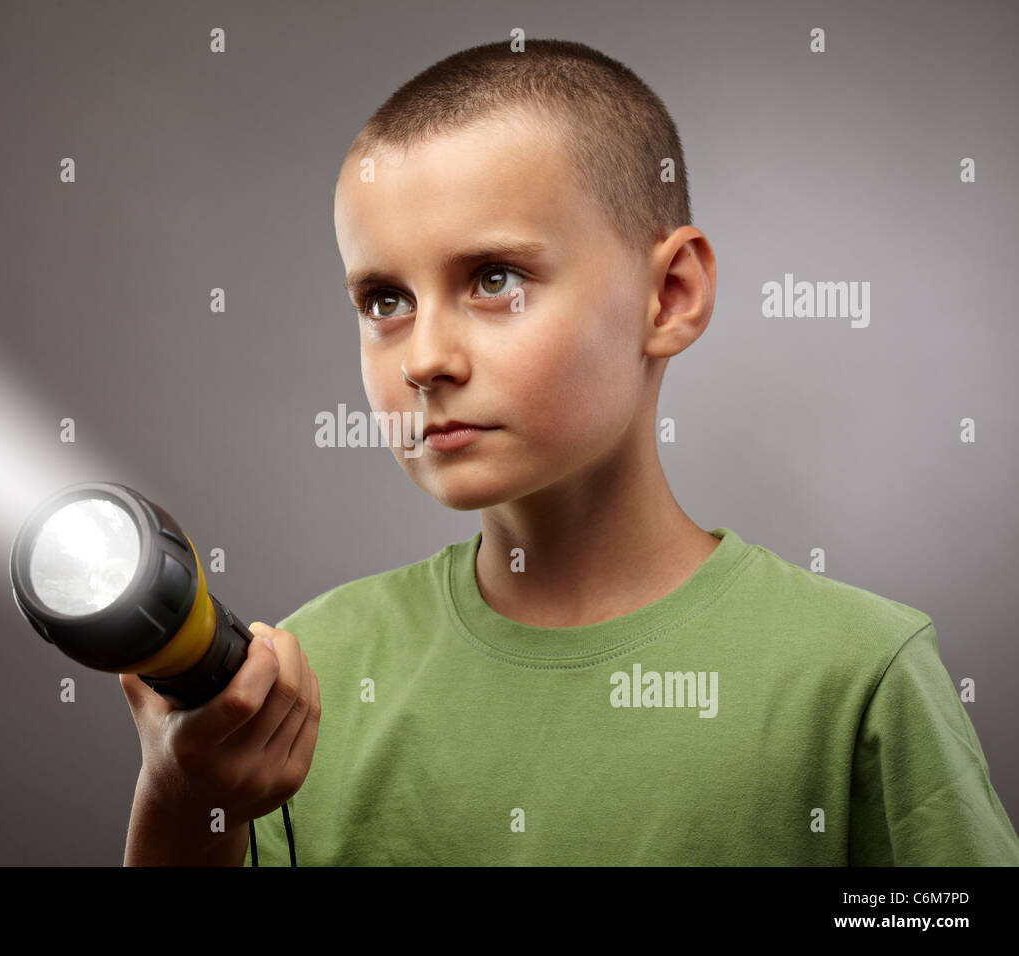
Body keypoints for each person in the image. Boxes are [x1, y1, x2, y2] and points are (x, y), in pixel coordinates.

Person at [121, 38, 1019, 866]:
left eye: (495, 280)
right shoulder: (300, 680)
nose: (427, 358)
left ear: (669, 295)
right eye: (385, 301)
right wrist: (179, 798)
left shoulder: (858, 670)